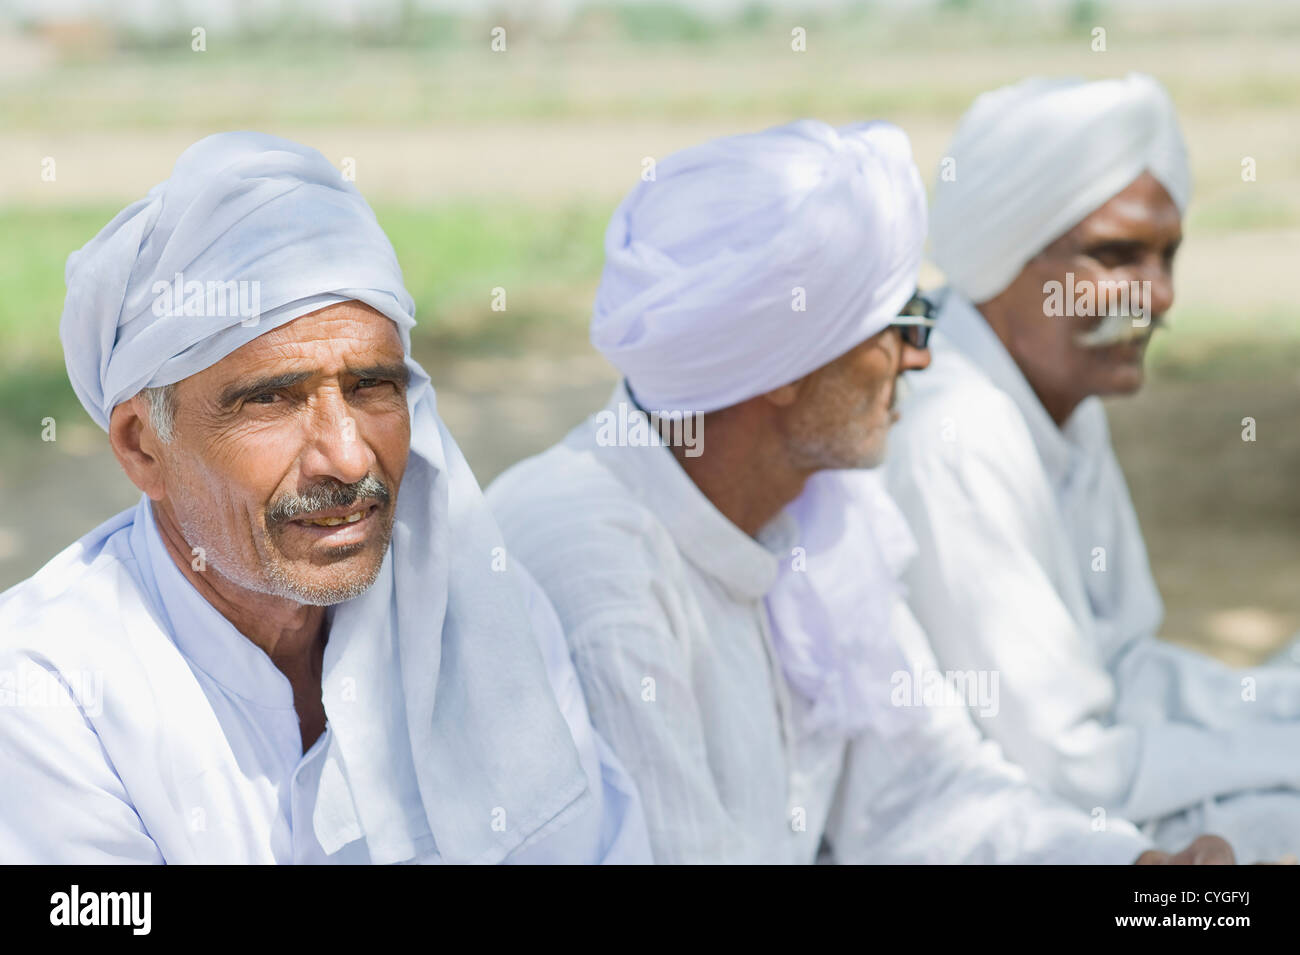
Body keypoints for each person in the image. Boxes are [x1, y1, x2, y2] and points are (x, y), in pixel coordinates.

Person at [486, 119, 1230, 864]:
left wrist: (1135, 870)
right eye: (903, 323)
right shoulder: (597, 570)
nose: (921, 358)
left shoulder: (821, 514)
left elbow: (925, 792)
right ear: (782, 361)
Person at [0, 132, 651, 865]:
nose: (346, 455)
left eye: (372, 385)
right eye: (274, 399)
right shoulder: (48, 693)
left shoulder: (482, 610)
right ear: (141, 446)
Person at [885, 73, 1300, 862]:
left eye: (1167, 255)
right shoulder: (954, 430)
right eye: (1118, 256)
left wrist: (1277, 713)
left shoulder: (1062, 390)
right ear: (1007, 253)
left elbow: (1128, 663)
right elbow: (1066, 761)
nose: (1159, 296)